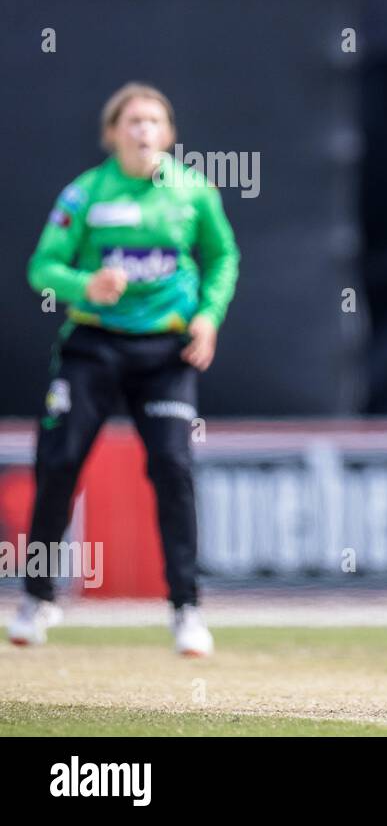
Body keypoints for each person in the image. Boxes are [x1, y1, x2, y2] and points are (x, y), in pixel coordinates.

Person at [8, 83, 240, 657]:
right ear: (112, 133)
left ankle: (186, 608)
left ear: (169, 133)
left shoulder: (194, 192)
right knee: (59, 462)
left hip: (165, 354)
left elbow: (223, 258)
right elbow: (42, 266)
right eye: (132, 121)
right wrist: (83, 283)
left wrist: (208, 318)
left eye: (154, 121)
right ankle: (36, 598)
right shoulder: (85, 193)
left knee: (171, 464)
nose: (143, 131)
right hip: (92, 346)